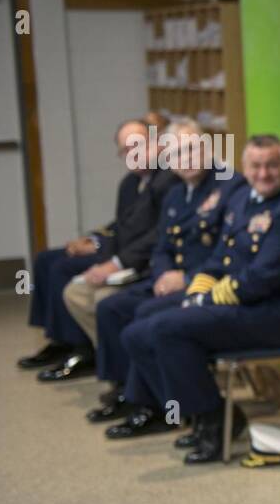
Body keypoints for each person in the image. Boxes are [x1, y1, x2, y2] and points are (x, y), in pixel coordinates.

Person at [114, 135, 280, 463]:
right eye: (256, 165)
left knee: (168, 329)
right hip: (242, 306)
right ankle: (197, 412)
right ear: (245, 167)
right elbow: (218, 259)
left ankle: (213, 418)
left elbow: (258, 281)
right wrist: (196, 294)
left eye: (273, 165)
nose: (264, 173)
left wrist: (201, 302)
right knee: (138, 327)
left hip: (275, 317)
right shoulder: (245, 200)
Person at [86, 119, 244, 424]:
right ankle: (125, 393)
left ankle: (156, 406)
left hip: (207, 283)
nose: (186, 159)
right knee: (111, 307)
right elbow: (161, 246)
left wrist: (184, 278)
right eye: (177, 154)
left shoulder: (229, 186)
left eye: (192, 150)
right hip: (170, 280)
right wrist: (162, 274)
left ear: (208, 148)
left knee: (146, 314)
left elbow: (230, 250)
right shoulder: (176, 194)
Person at [19, 119, 173, 381]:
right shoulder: (129, 183)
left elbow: (158, 233)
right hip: (122, 255)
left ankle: (85, 351)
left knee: (63, 270)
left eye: (138, 145)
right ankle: (67, 343)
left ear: (157, 144)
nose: (133, 154)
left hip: (142, 263)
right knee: (48, 260)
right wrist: (97, 242)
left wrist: (113, 261)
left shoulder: (167, 180)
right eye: (125, 150)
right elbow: (122, 226)